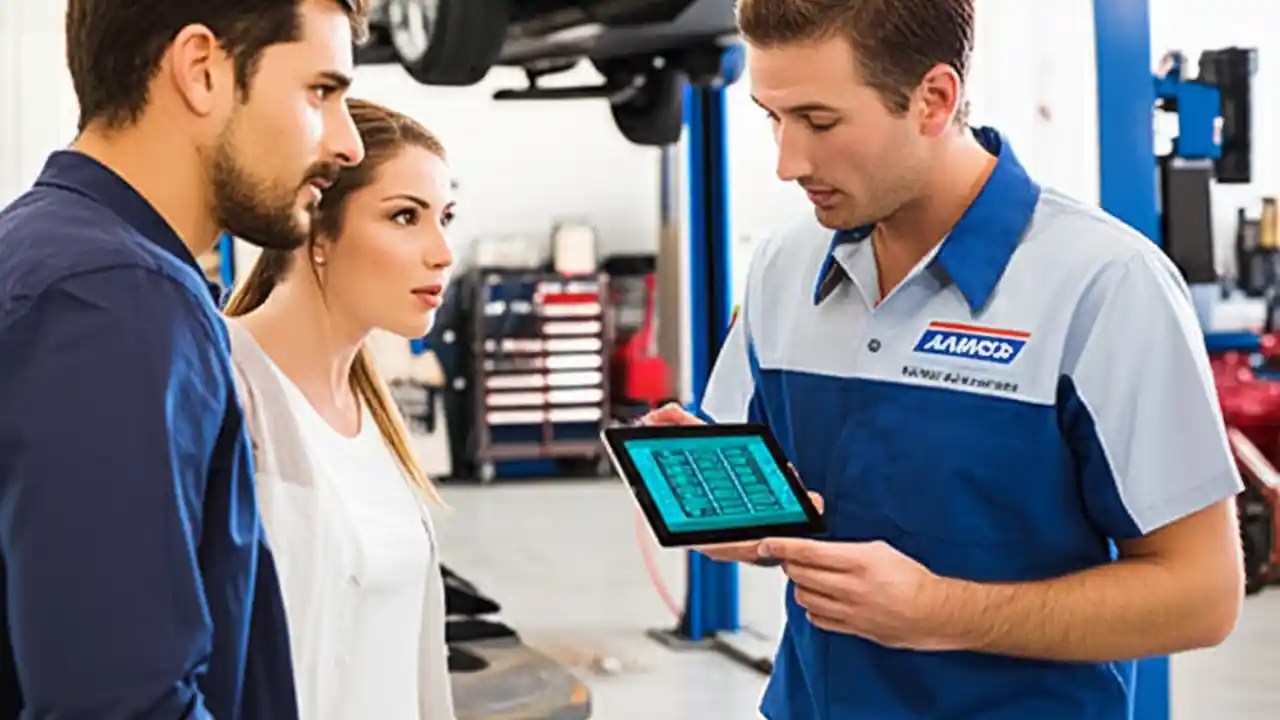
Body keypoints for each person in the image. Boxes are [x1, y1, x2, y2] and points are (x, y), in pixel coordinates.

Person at [645, 1, 1245, 718]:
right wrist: (723, 508)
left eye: (820, 122)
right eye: (772, 117)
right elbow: (764, 489)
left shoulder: (1103, 284)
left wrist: (942, 612)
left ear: (934, 99)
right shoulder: (782, 267)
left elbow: (1201, 596)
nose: (787, 163)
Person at [0, 0, 367, 717]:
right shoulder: (116, 302)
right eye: (320, 92)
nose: (347, 143)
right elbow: (120, 703)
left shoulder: (56, 254)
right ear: (202, 71)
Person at [221, 98, 457, 720]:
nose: (442, 252)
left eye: (445, 217)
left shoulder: (371, 411)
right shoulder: (228, 393)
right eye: (406, 217)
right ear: (314, 231)